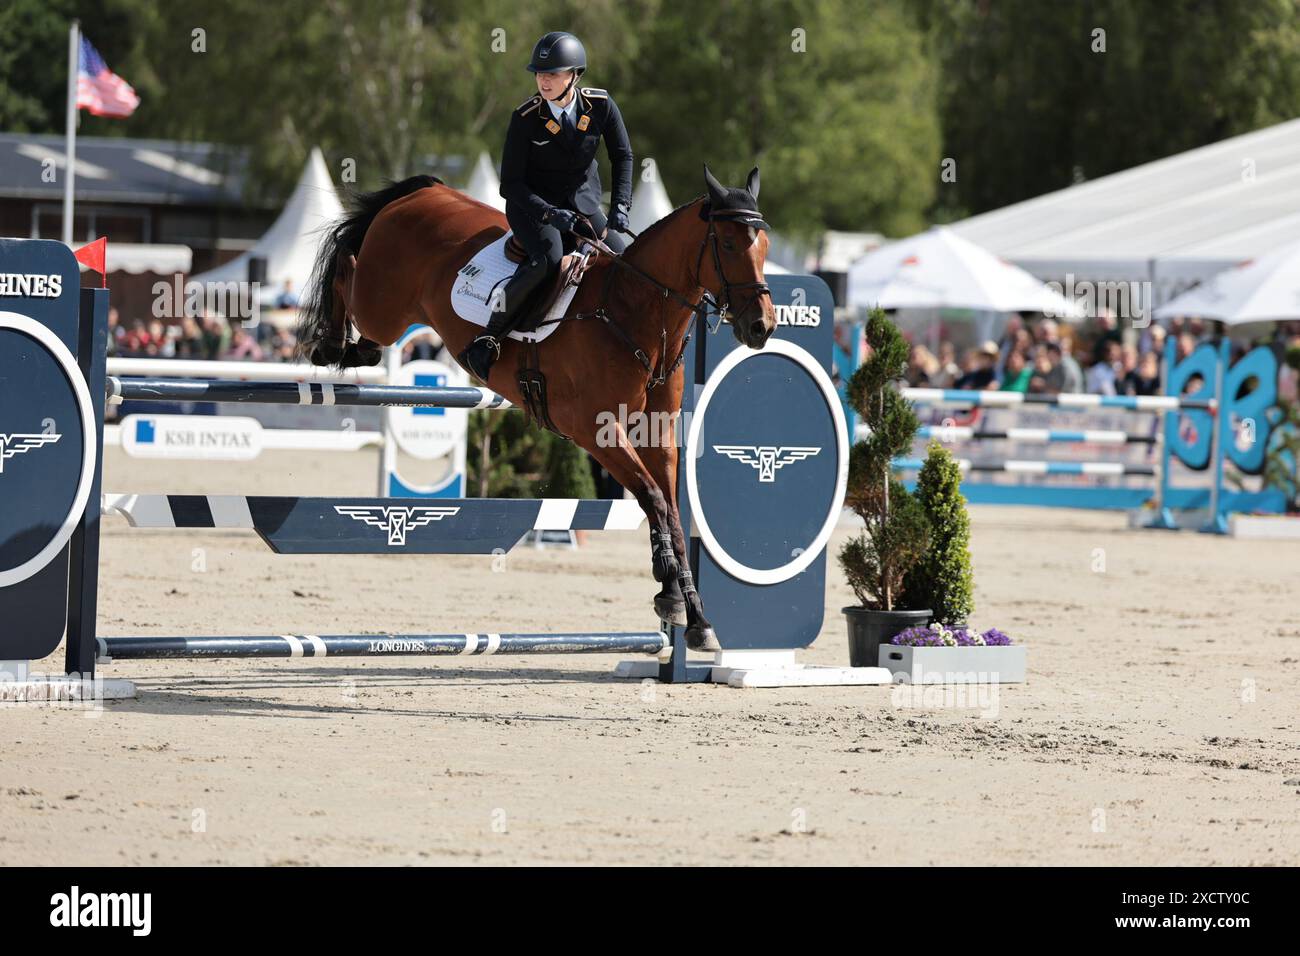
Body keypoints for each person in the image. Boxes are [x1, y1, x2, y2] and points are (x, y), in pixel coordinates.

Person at [459, 31, 634, 383]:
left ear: (574, 76)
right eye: (540, 74)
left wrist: (621, 207)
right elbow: (510, 184)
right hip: (531, 208)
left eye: (552, 74)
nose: (544, 81)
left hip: (584, 208)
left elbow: (623, 155)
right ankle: (488, 339)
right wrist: (549, 213)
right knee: (548, 260)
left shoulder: (600, 106)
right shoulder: (525, 117)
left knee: (625, 261)